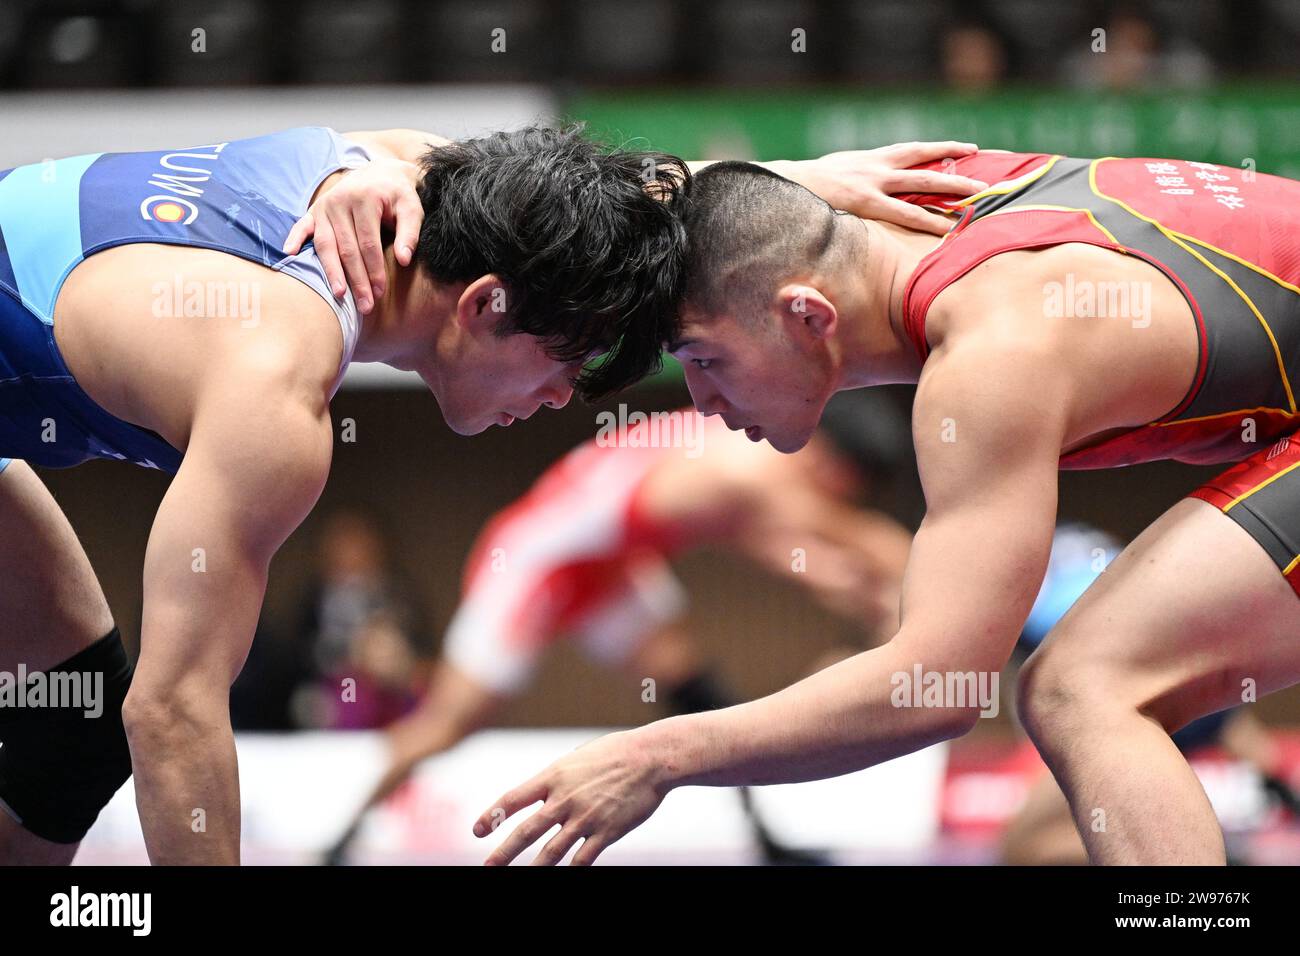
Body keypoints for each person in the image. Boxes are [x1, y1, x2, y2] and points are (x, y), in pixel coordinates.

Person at [0, 122, 984, 865]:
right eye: (561, 362)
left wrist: (792, 192)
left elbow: (573, 186)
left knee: (69, 732)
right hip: (547, 557)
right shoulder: (274, 393)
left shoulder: (400, 175)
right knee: (117, 712)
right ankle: (340, 836)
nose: (559, 397)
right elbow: (171, 712)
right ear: (482, 306)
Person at [474, 147, 1300, 865]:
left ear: (808, 313)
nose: (703, 400)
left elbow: (938, 686)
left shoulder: (992, 358)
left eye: (705, 358)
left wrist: (656, 754)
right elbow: (710, 211)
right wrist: (783, 177)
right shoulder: (926, 195)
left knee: (1083, 688)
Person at [322, 393, 911, 865]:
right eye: (851, 487)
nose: (845, 498)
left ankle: (768, 843)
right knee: (449, 723)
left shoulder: (750, 457)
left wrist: (881, 599)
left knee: (696, 690)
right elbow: (843, 548)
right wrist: (911, 598)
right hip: (537, 559)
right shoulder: (746, 472)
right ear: (831, 462)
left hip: (609, 567)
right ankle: (334, 840)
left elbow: (807, 554)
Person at [1000, 523, 1300, 865]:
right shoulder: (1075, 552)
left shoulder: (1013, 587)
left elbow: (1047, 697)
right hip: (1193, 685)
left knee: (1022, 847)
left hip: (1127, 700)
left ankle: (1194, 851)